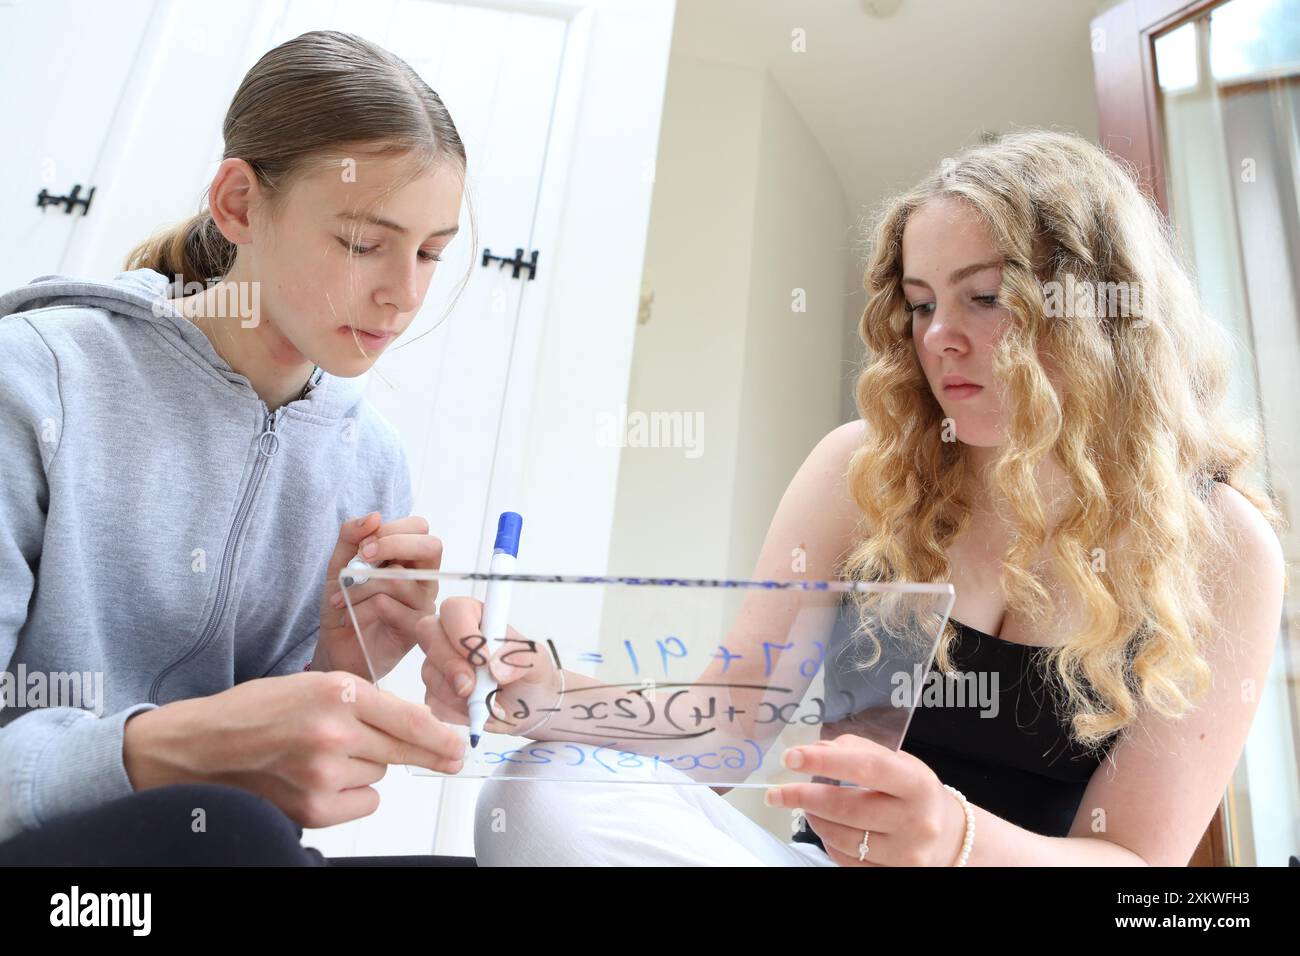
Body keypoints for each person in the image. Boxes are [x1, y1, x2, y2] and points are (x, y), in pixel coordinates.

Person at [420, 129, 1288, 867]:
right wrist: (556, 697)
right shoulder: (866, 470)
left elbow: (1137, 867)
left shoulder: (1221, 546)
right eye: (919, 305)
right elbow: (729, 728)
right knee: (541, 792)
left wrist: (952, 838)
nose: (940, 338)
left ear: (1093, 308)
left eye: (985, 298)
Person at [0, 30, 475, 866]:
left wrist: (338, 664)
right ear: (238, 203)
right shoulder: (36, 379)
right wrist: (164, 749)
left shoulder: (371, 459)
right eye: (365, 243)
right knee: (231, 832)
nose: (404, 295)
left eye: (431, 253)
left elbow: (266, 799)